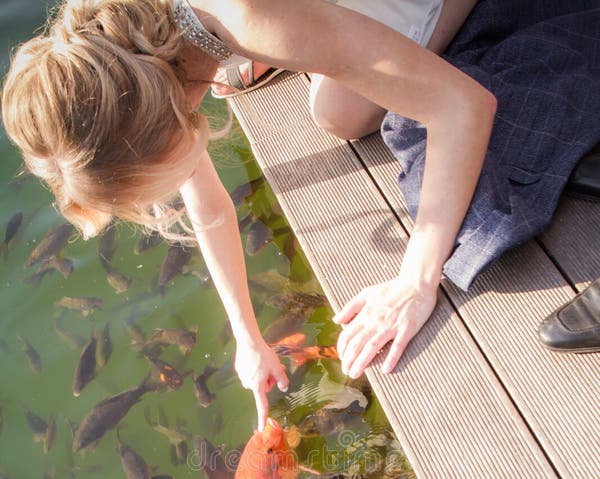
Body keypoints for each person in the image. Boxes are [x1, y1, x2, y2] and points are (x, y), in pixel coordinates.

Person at [1, 0, 498, 429]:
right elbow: (209, 208)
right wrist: (247, 339)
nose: (169, 196)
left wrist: (416, 281)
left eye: (164, 184)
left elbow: (463, 105)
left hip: (258, 20)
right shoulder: (126, 58)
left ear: (167, 123)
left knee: (340, 112)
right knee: (335, 97)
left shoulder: (240, 16)